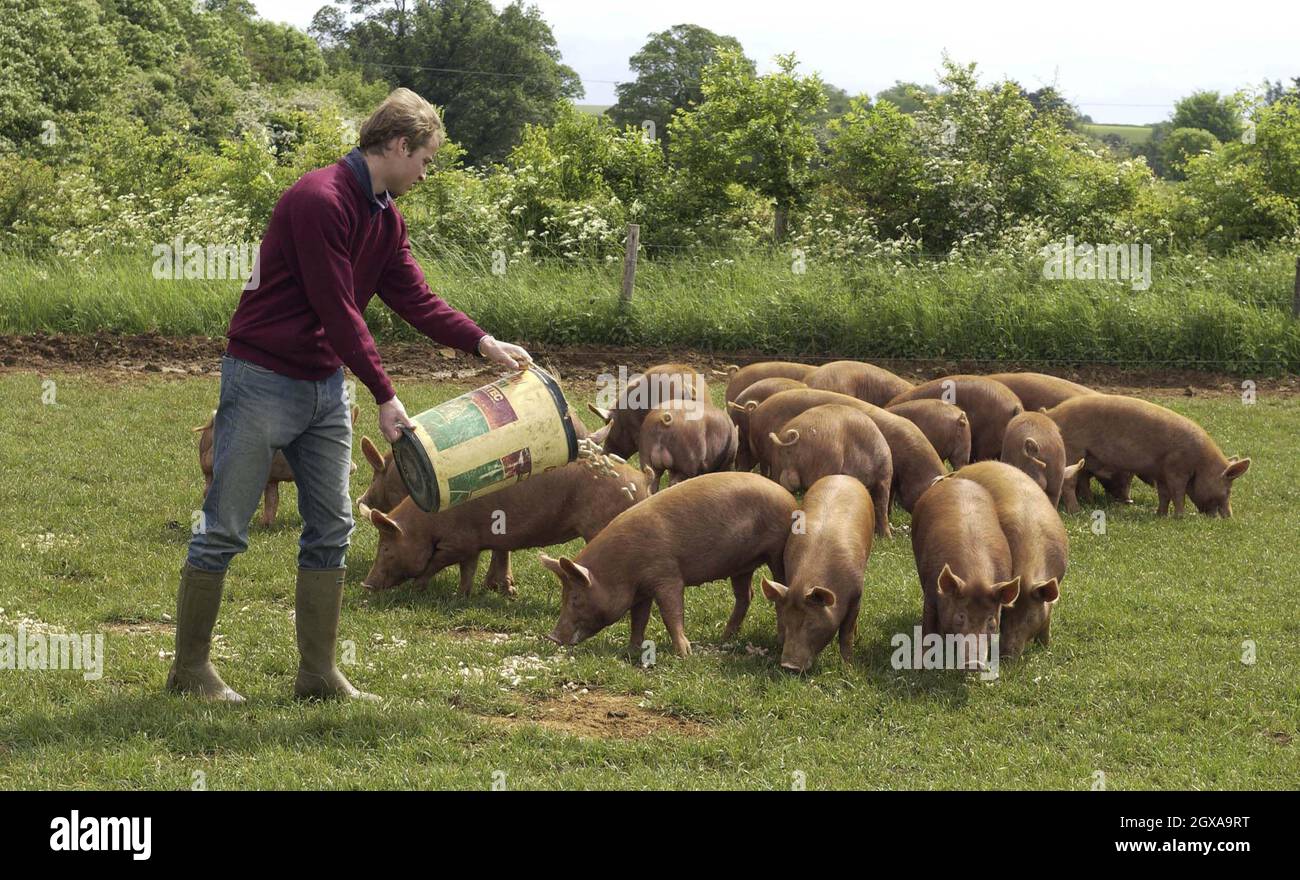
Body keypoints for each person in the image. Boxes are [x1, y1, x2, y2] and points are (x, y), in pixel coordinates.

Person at [166, 88, 531, 703]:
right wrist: (385, 395)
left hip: (324, 389)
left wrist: (483, 343)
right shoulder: (319, 200)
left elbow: (415, 298)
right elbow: (336, 308)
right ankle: (189, 672)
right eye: (426, 158)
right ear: (396, 144)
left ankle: (318, 675)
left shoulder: (385, 216)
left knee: (333, 526)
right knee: (225, 527)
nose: (426, 171)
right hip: (261, 381)